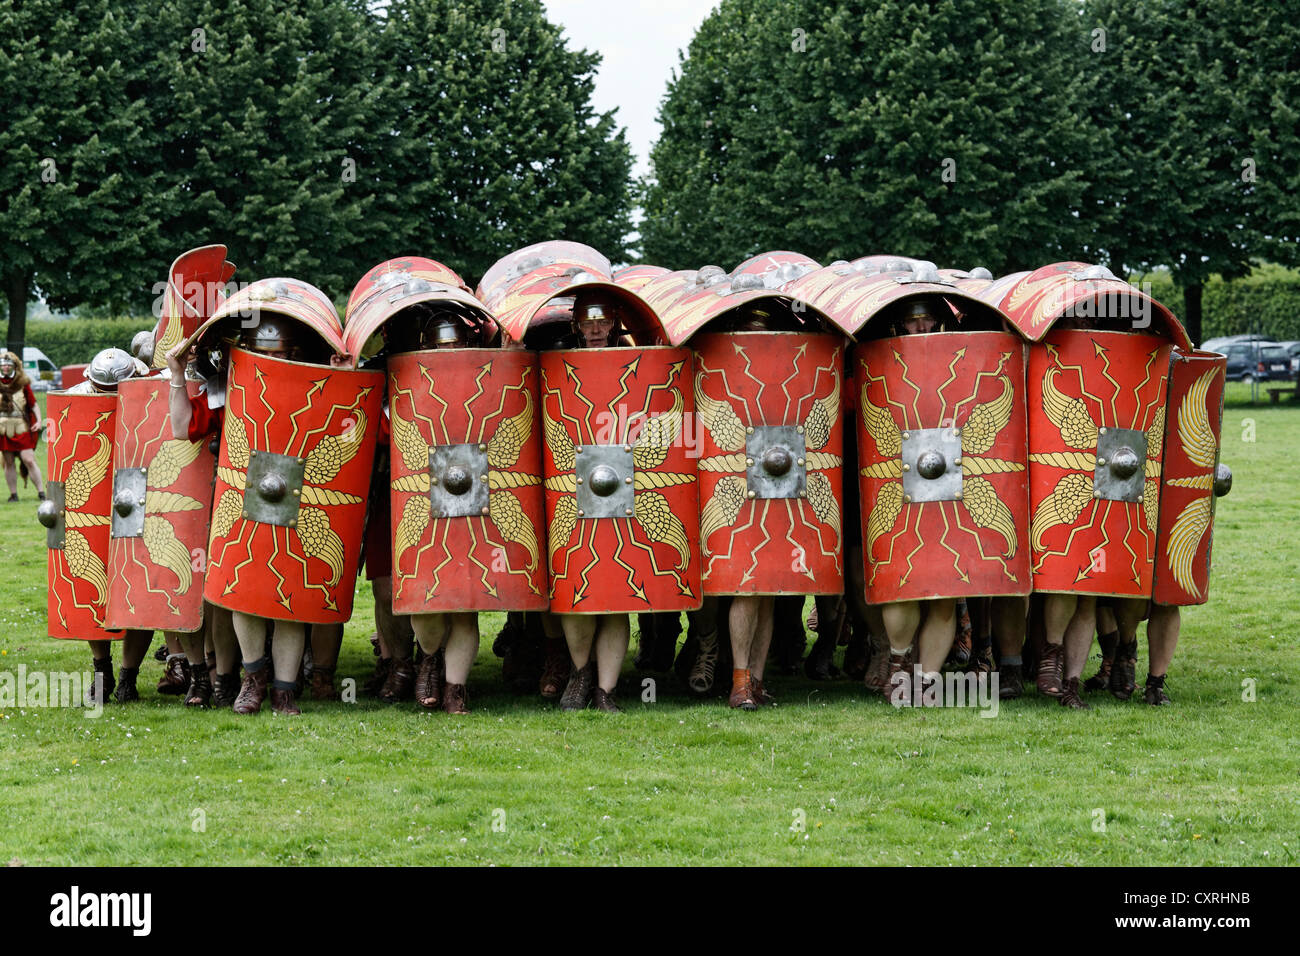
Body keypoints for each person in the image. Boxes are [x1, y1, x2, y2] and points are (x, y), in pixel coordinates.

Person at [167, 310, 334, 716]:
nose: (270, 359)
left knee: (291, 597)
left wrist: (342, 376)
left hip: (300, 499)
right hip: (240, 503)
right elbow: (181, 426)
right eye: (260, 352)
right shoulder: (229, 389)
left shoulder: (316, 388)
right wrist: (176, 374)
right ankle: (253, 680)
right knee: (244, 594)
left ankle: (284, 691)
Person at [62, 348, 155, 702]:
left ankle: (129, 678)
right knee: (92, 589)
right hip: (93, 498)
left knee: (136, 587)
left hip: (139, 493)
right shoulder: (75, 402)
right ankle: (102, 671)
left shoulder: (151, 396)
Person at [0, 351, 46, 502]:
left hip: (21, 427)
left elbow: (33, 405)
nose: (5, 367)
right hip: (3, 428)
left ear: (14, 366)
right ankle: (13, 495)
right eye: (3, 365)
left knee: (29, 459)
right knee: (9, 462)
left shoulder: (22, 383)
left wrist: (39, 421)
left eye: (8, 364)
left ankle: (41, 492)